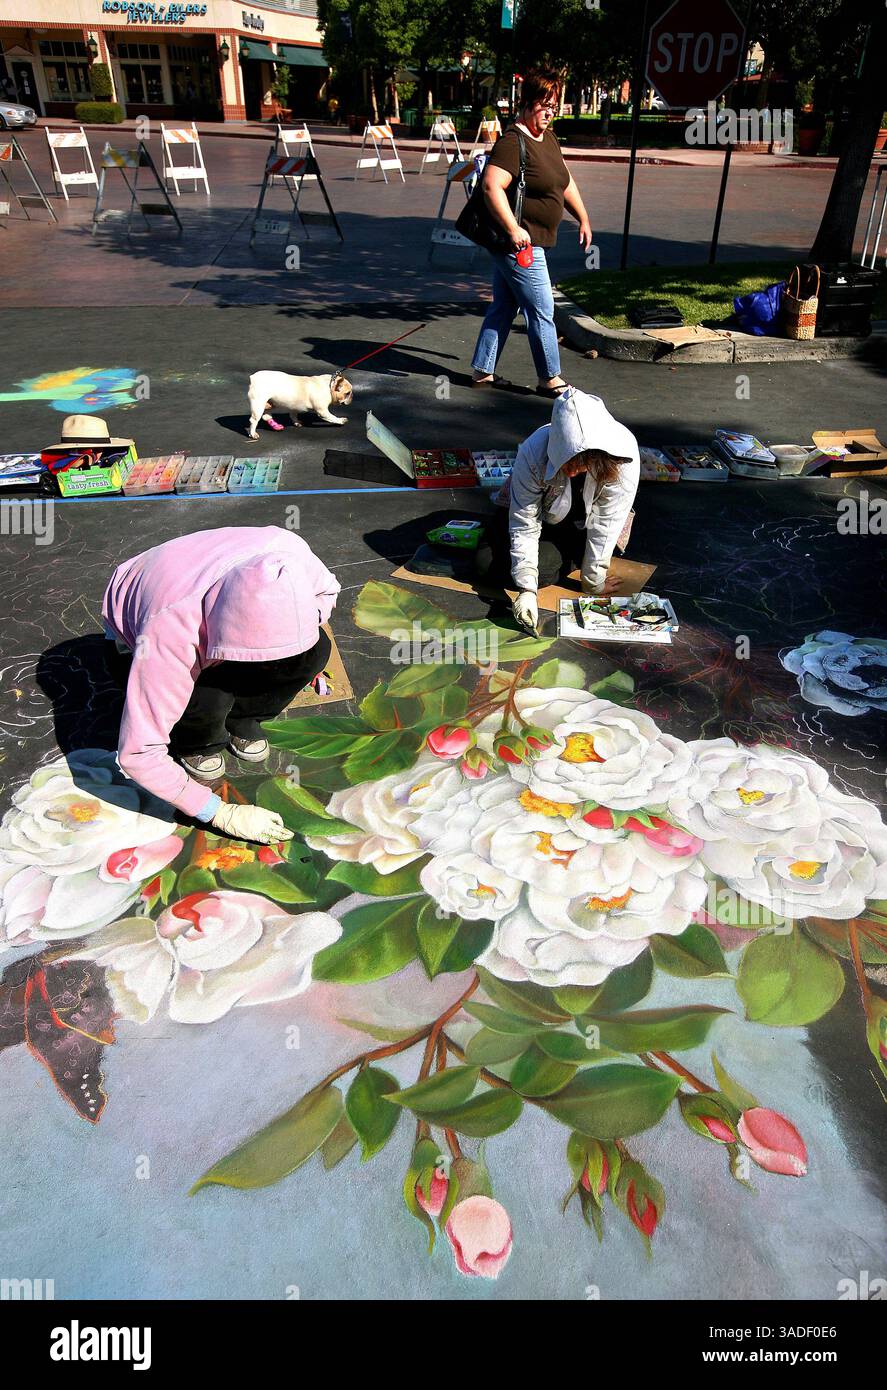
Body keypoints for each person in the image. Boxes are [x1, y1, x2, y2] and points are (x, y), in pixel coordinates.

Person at [102, 526, 340, 845]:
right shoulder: (169, 632)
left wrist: (298, 638)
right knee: (207, 695)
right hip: (141, 593)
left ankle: (243, 718)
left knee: (315, 652)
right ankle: (199, 742)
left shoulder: (290, 556)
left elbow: (326, 594)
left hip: (201, 572)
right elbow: (139, 752)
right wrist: (218, 813)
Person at [476, 388, 639, 635]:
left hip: (582, 522)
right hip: (541, 514)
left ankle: (575, 556)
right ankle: (555, 562)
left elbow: (607, 523)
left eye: (582, 464)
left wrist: (593, 582)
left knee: (542, 569)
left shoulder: (622, 454)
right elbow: (524, 520)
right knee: (484, 564)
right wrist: (527, 590)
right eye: (566, 464)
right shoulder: (533, 451)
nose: (572, 472)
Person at [471, 69, 593, 397]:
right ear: (527, 103)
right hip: (521, 242)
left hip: (530, 239)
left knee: (504, 305)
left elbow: (564, 182)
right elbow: (491, 186)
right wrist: (513, 228)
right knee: (541, 308)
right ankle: (549, 378)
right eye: (544, 105)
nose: (549, 113)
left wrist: (582, 216)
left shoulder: (548, 139)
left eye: (554, 107)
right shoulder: (514, 142)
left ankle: (482, 371)